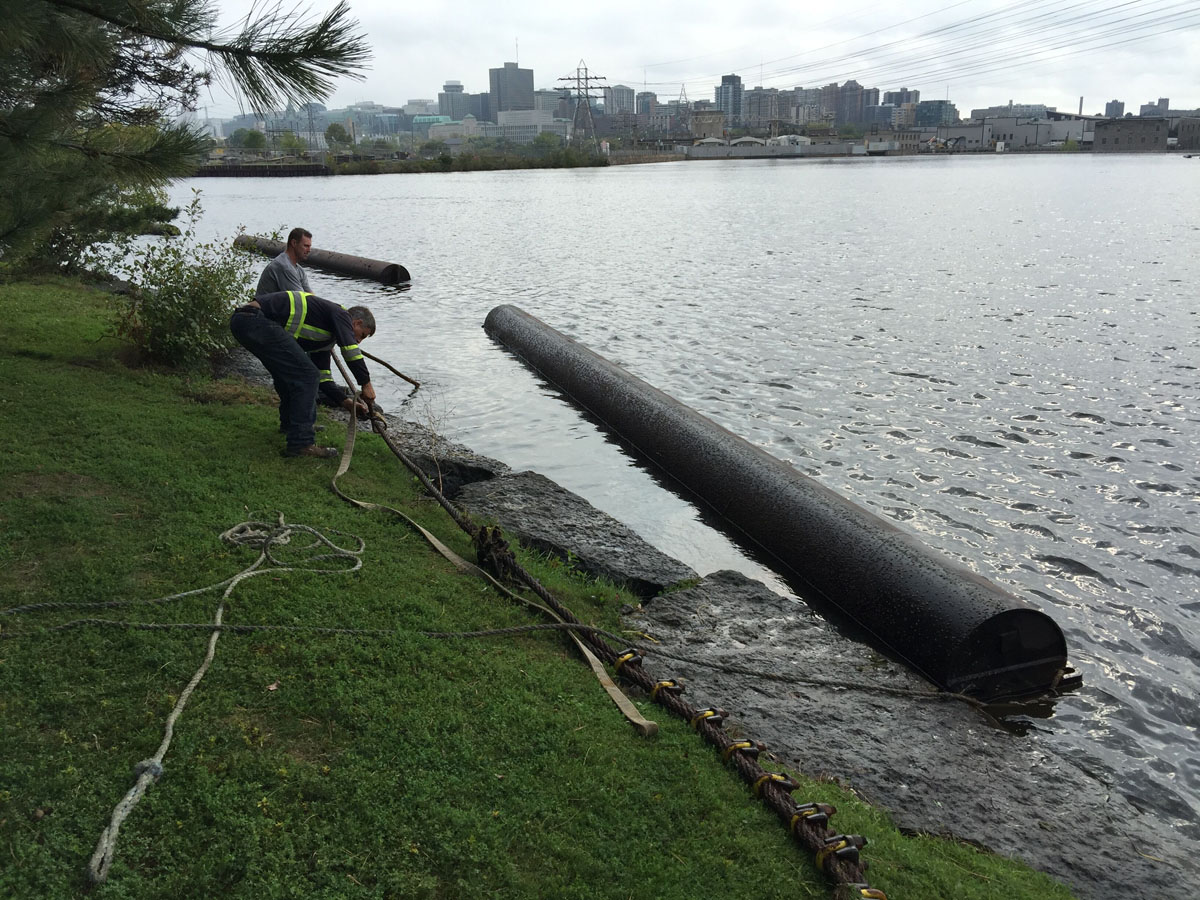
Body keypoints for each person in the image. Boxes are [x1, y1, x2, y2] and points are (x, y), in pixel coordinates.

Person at [230, 290, 377, 458]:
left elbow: (324, 378)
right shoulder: (341, 314)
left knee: (289, 375)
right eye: (362, 335)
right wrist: (366, 384)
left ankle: (293, 425)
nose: (359, 341)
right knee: (307, 376)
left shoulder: (325, 338)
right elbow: (350, 351)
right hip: (253, 320)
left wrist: (346, 403)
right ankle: (301, 442)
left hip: (246, 322)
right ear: (356, 323)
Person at [256, 227, 313, 295]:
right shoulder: (284, 267)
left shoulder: (299, 270)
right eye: (306, 246)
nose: (309, 250)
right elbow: (300, 299)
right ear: (294, 243)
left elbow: (311, 298)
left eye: (310, 246)